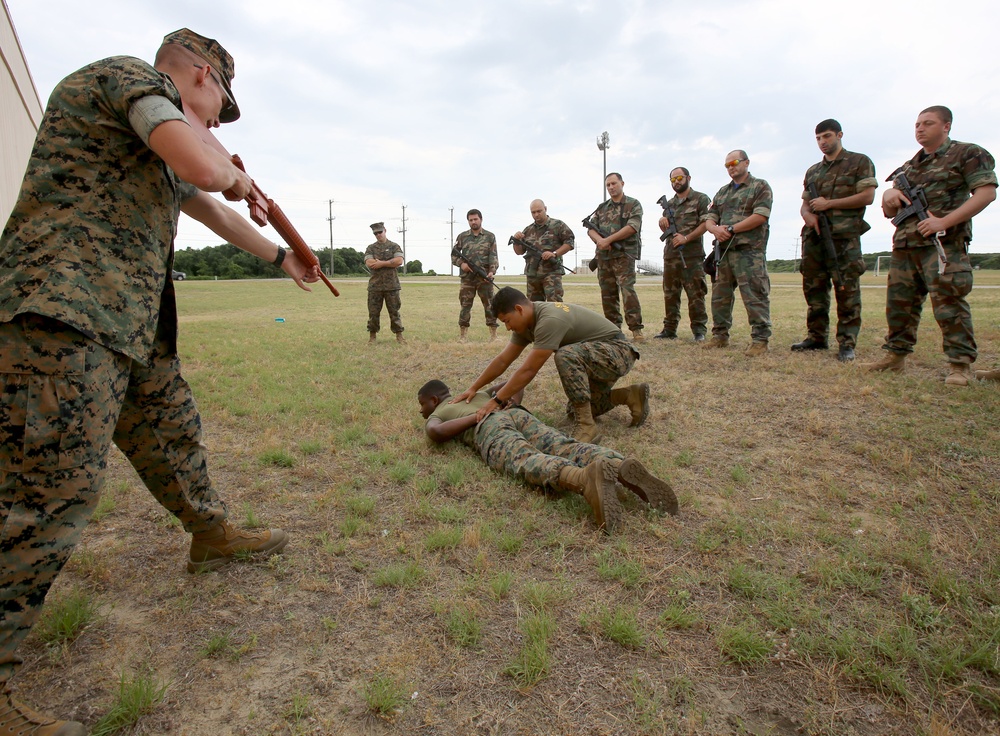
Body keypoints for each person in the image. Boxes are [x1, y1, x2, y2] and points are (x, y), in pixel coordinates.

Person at [0, 29, 318, 732]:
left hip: (128, 329)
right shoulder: (129, 83)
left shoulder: (165, 135)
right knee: (44, 498)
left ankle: (211, 536)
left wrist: (278, 255)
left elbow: (206, 204)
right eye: (217, 108)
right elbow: (200, 166)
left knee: (174, 434)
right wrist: (228, 169)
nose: (214, 122)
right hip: (62, 319)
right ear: (199, 75)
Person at [418, 380, 677, 533]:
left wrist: (475, 418)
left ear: (433, 399)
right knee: (562, 444)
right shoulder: (476, 393)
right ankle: (617, 464)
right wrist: (509, 402)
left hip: (488, 427)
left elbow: (436, 432)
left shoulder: (440, 411)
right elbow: (514, 382)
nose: (422, 412)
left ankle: (582, 479)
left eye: (422, 405)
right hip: (518, 415)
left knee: (521, 458)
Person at [861, 106, 996, 386]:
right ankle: (895, 357)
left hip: (943, 244)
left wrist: (943, 221)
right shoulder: (909, 167)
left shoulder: (967, 153)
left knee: (949, 304)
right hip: (905, 245)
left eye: (928, 123)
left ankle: (960, 365)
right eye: (917, 124)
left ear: (946, 126)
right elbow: (889, 212)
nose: (920, 128)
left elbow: (986, 193)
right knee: (899, 305)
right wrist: (889, 195)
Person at [451, 286, 649, 444]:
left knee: (565, 356)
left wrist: (497, 400)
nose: (508, 327)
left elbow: (529, 370)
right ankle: (629, 395)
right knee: (575, 409)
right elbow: (503, 360)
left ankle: (587, 426)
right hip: (598, 356)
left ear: (519, 309)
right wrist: (473, 388)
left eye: (507, 320)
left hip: (618, 352)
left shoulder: (548, 320)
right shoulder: (526, 322)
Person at [794, 120, 877, 362]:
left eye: (827, 136)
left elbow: (868, 196)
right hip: (815, 239)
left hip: (844, 238)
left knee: (846, 289)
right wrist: (809, 216)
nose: (823, 142)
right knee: (814, 290)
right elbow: (805, 204)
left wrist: (829, 204)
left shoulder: (859, 162)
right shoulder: (813, 171)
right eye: (819, 138)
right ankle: (816, 337)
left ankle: (847, 343)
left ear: (839, 135)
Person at [703, 150, 774, 357]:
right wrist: (715, 229)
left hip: (749, 252)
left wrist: (731, 229)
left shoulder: (760, 186)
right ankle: (719, 336)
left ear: (746, 162)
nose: (731, 167)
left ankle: (760, 339)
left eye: (734, 163)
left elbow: (760, 215)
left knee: (755, 295)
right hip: (723, 252)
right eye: (727, 165)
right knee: (720, 296)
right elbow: (710, 217)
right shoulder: (722, 192)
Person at [585, 173, 645, 341]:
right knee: (608, 294)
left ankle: (636, 329)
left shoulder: (633, 204)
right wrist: (600, 241)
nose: (611, 187)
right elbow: (590, 228)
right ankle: (613, 330)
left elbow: (633, 227)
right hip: (604, 257)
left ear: (622, 183)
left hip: (624, 256)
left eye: (614, 183)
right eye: (608, 185)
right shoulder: (602, 207)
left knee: (627, 291)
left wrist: (609, 239)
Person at [654, 167, 711, 342]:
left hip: (692, 256)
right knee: (670, 294)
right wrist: (662, 221)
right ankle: (669, 329)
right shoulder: (669, 204)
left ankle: (699, 331)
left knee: (696, 294)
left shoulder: (701, 199)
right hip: (671, 255)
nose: (676, 182)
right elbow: (666, 228)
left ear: (688, 178)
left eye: (679, 178)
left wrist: (687, 238)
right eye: (673, 179)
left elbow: (706, 224)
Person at [512, 199, 575, 302]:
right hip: (533, 275)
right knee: (534, 307)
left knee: (555, 306)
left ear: (545, 209)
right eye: (533, 212)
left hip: (552, 273)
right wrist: (516, 241)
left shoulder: (558, 225)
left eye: (539, 211)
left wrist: (554, 254)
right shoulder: (528, 230)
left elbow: (569, 243)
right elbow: (519, 252)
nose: (536, 214)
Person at [452, 209, 499, 342]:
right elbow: (454, 255)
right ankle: (463, 336)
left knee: (490, 305)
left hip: (484, 278)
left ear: (481, 219)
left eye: (475, 219)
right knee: (465, 306)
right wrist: (462, 264)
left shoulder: (490, 236)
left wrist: (491, 272)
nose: (473, 222)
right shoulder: (462, 237)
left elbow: (493, 256)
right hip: (467, 278)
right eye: (470, 220)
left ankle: (493, 335)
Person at [363, 221, 405, 344]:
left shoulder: (394, 246)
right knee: (373, 313)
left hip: (392, 286)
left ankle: (399, 336)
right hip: (375, 286)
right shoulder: (370, 248)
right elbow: (369, 263)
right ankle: (372, 336)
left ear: (385, 230)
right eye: (375, 233)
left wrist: (381, 263)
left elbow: (399, 261)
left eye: (380, 232)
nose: (378, 235)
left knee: (394, 312)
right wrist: (389, 262)